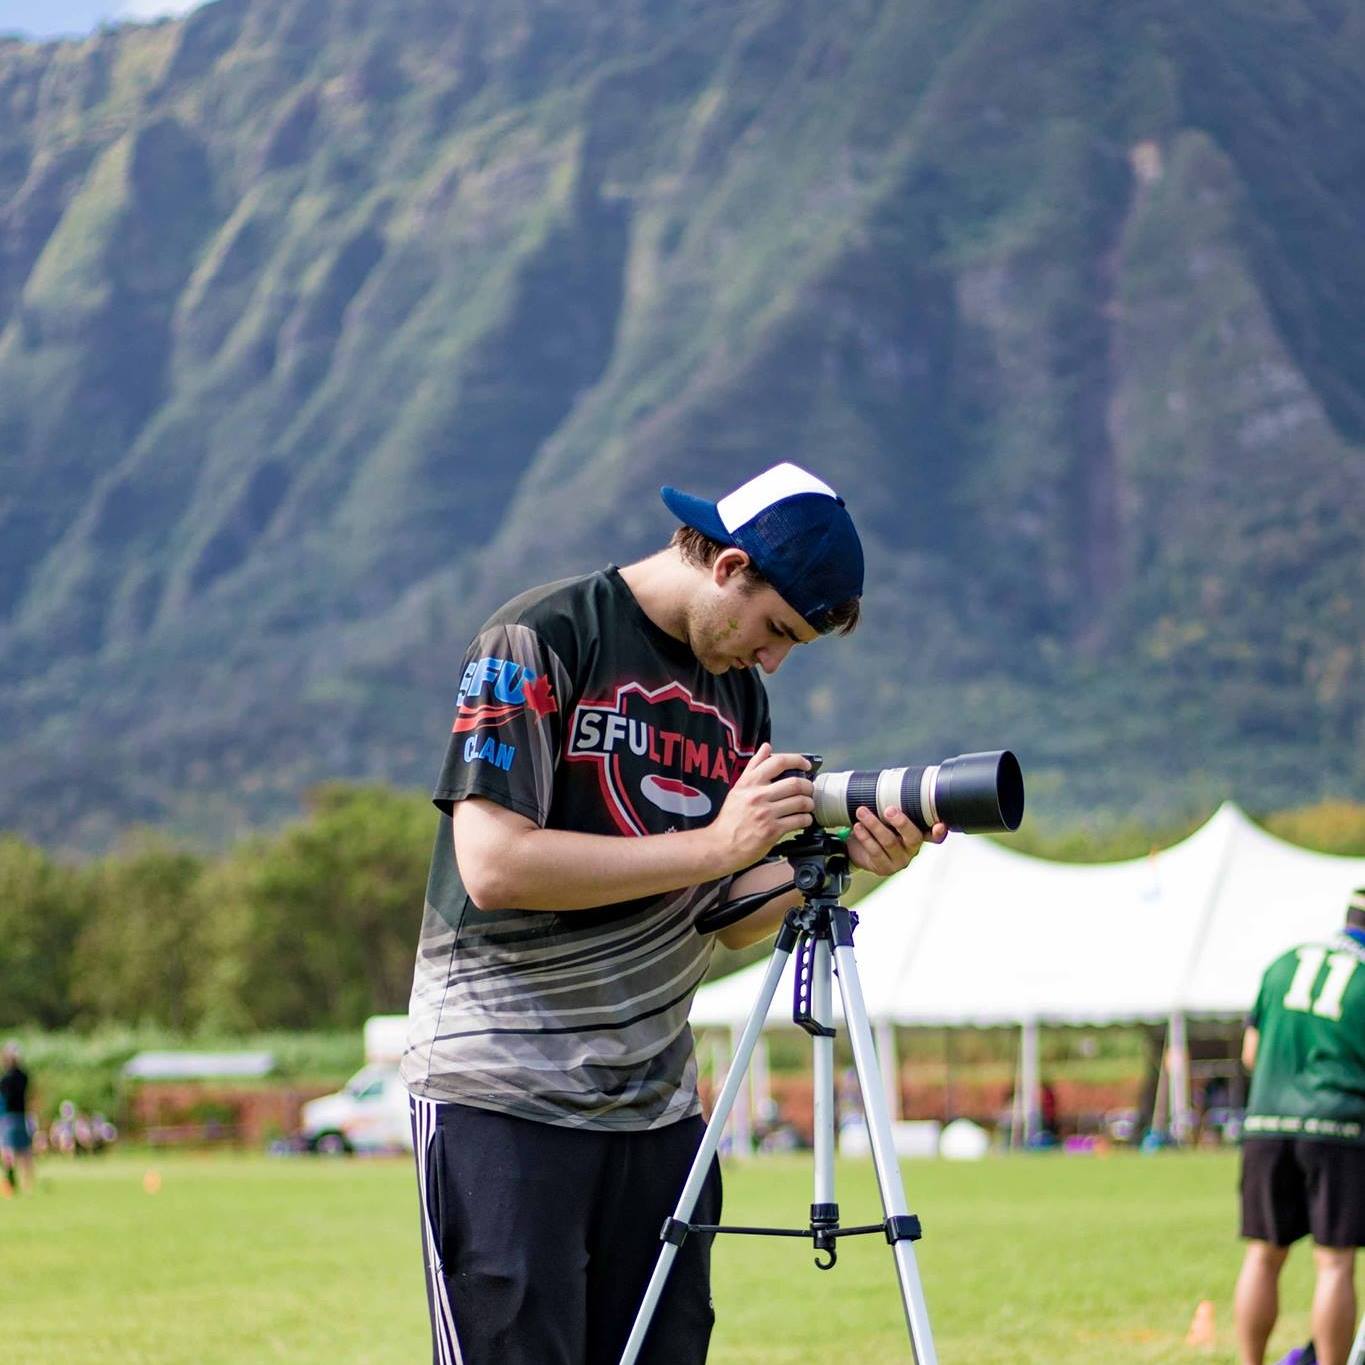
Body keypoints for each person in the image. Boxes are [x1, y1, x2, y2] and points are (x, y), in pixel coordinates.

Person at [400, 462, 948, 1365]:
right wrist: (717, 844)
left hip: (656, 1110)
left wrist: (842, 862)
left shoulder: (737, 694)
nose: (772, 660)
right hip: (503, 1091)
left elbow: (723, 915)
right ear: (729, 566)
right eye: (776, 630)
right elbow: (493, 864)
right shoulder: (539, 634)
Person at [1234, 886, 1365, 1365]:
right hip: (1338, 1128)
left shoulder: (1284, 964)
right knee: (1334, 1262)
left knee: (1263, 1254)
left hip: (1266, 1125)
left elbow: (1250, 1054)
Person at [0, 1042, 35, 1195]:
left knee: (7, 1150)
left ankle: (10, 1181)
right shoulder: (23, 1077)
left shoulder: (6, 1079)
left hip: (8, 1118)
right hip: (21, 1116)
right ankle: (27, 1185)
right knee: (24, 1150)